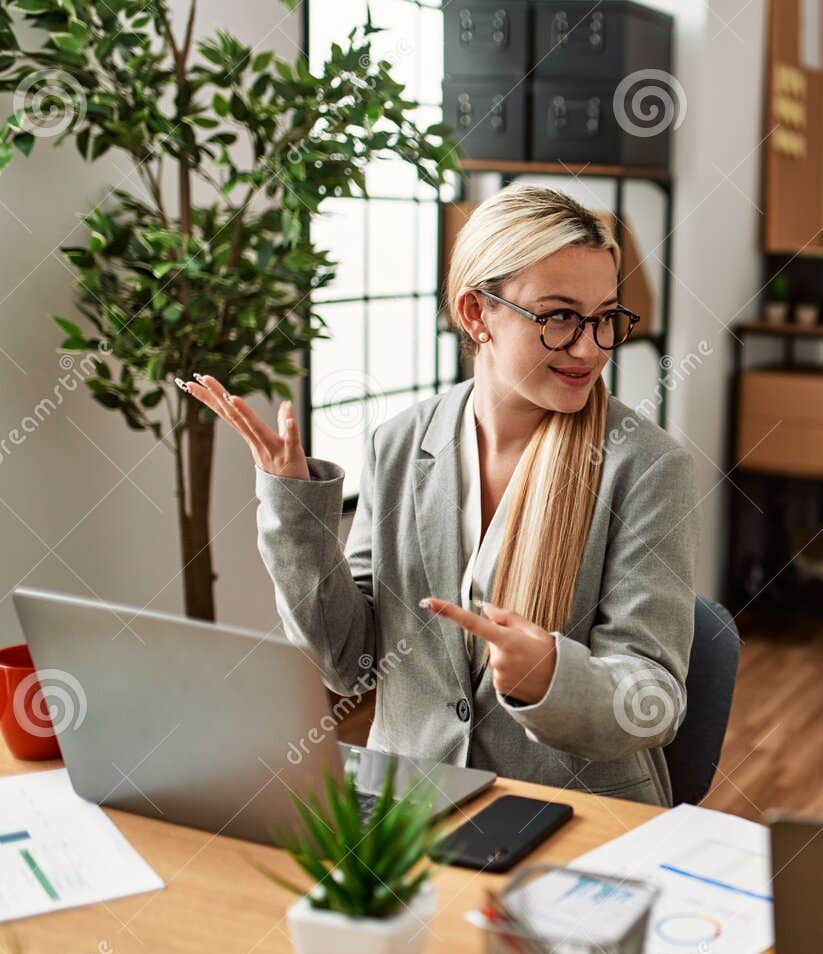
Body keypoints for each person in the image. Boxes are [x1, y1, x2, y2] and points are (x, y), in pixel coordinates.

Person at [187, 185, 696, 805]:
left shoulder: (645, 466)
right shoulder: (399, 443)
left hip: (573, 809)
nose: (589, 347)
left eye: (604, 317)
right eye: (560, 316)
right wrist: (295, 512)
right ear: (477, 313)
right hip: (409, 797)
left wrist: (552, 678)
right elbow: (347, 662)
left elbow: (655, 701)